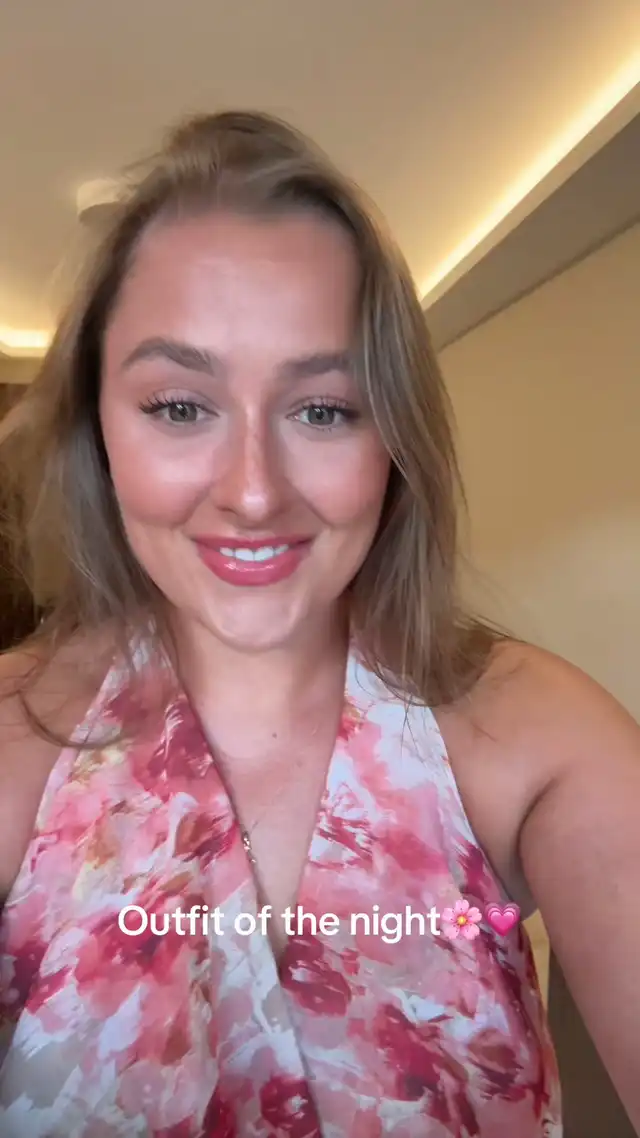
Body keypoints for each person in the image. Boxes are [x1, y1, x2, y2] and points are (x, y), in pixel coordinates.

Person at [0, 110, 637, 1138]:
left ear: (395, 440)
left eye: (323, 410)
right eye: (178, 407)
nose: (253, 493)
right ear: (96, 430)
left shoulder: (539, 738)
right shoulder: (14, 740)